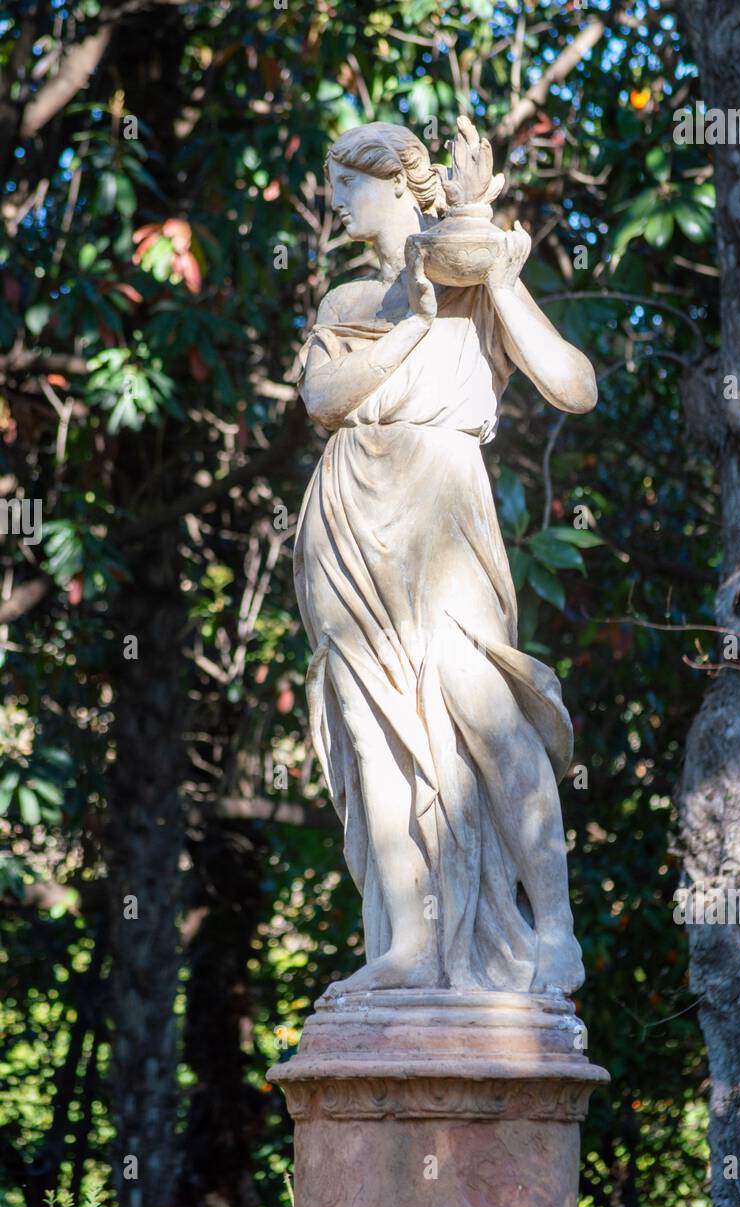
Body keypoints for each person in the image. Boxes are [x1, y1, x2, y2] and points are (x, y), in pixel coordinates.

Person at [294, 122, 597, 994]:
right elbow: (322, 398)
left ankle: (558, 932)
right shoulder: (350, 302)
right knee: (375, 729)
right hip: (350, 518)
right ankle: (411, 946)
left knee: (483, 709)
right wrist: (413, 323)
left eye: (347, 183)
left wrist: (499, 275)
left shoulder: (478, 284)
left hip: (443, 511)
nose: (336, 200)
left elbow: (575, 387)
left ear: (394, 183)